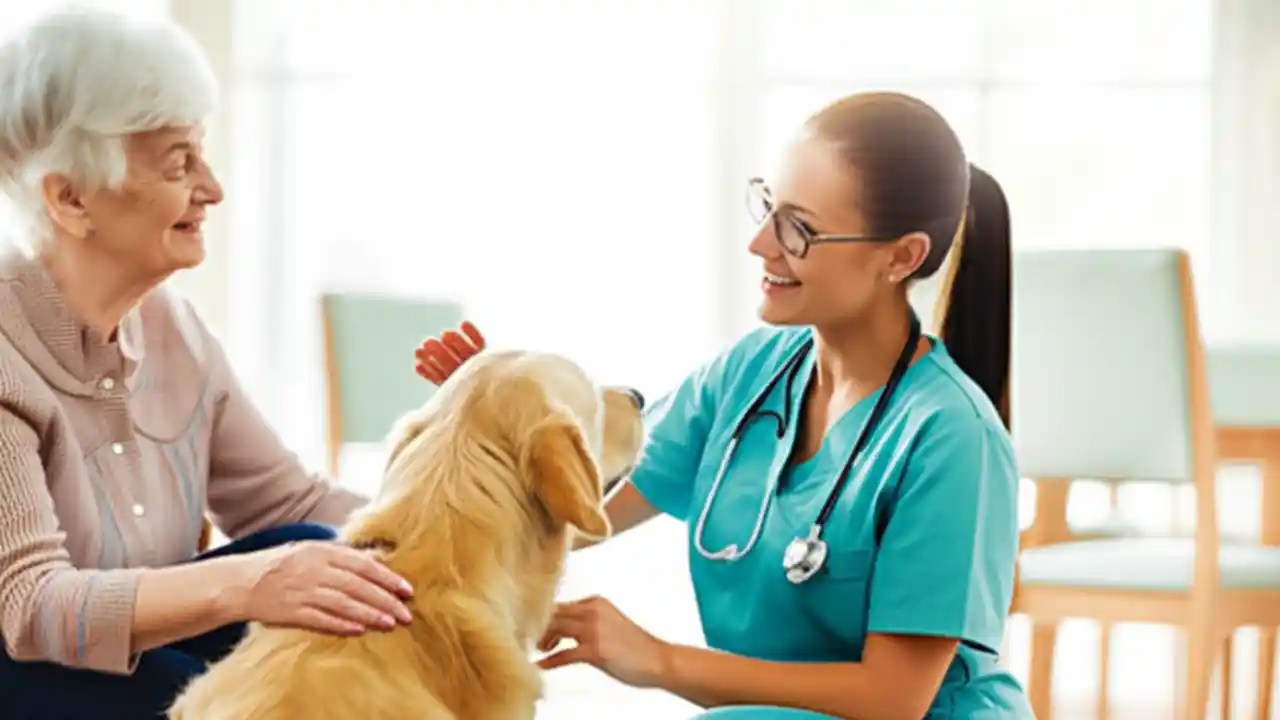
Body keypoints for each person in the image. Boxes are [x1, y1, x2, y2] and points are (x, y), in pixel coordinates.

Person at [415, 91, 1032, 718]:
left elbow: (891, 699)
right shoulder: (749, 376)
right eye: (768, 206)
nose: (761, 243)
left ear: (902, 256)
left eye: (799, 229)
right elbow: (577, 512)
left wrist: (659, 659)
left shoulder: (953, 437)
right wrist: (493, 430)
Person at [0, 8, 414, 718]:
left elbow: (291, 507)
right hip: (19, 675)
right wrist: (250, 584)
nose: (212, 188)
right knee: (181, 683)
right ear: (70, 197)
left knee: (317, 550)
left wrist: (463, 538)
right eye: (177, 162)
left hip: (147, 667)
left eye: (202, 153)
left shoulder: (174, 329)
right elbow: (31, 605)